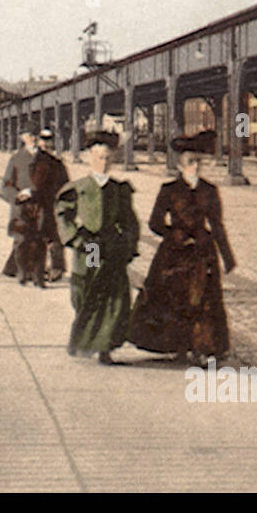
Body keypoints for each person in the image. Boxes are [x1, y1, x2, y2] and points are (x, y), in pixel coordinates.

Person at [127, 130, 236, 364]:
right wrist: (174, 235)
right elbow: (155, 222)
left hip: (202, 252)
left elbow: (217, 225)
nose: (195, 166)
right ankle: (177, 347)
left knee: (204, 300)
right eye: (190, 162)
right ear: (179, 165)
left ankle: (201, 348)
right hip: (174, 254)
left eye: (198, 161)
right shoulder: (169, 190)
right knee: (174, 299)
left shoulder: (210, 190)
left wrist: (227, 258)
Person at [55, 131, 139, 364]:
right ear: (90, 157)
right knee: (88, 288)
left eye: (107, 158)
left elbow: (130, 221)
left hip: (111, 247)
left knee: (113, 295)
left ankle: (105, 347)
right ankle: (86, 340)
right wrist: (75, 239)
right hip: (90, 247)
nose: (103, 162)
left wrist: (128, 245)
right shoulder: (79, 187)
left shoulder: (119, 189)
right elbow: (62, 214)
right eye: (99, 157)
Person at [0, 120, 40, 277]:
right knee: (22, 238)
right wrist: (17, 196)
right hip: (22, 205)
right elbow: (6, 184)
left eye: (35, 135)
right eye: (29, 135)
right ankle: (17, 268)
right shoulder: (16, 158)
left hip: (39, 205)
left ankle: (23, 268)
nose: (33, 138)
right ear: (23, 137)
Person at [30, 127, 69, 282]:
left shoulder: (55, 162)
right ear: (38, 141)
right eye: (43, 140)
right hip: (39, 203)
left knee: (53, 236)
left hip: (52, 203)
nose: (46, 143)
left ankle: (56, 268)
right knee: (42, 236)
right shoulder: (36, 160)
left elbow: (64, 182)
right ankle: (40, 267)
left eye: (48, 140)